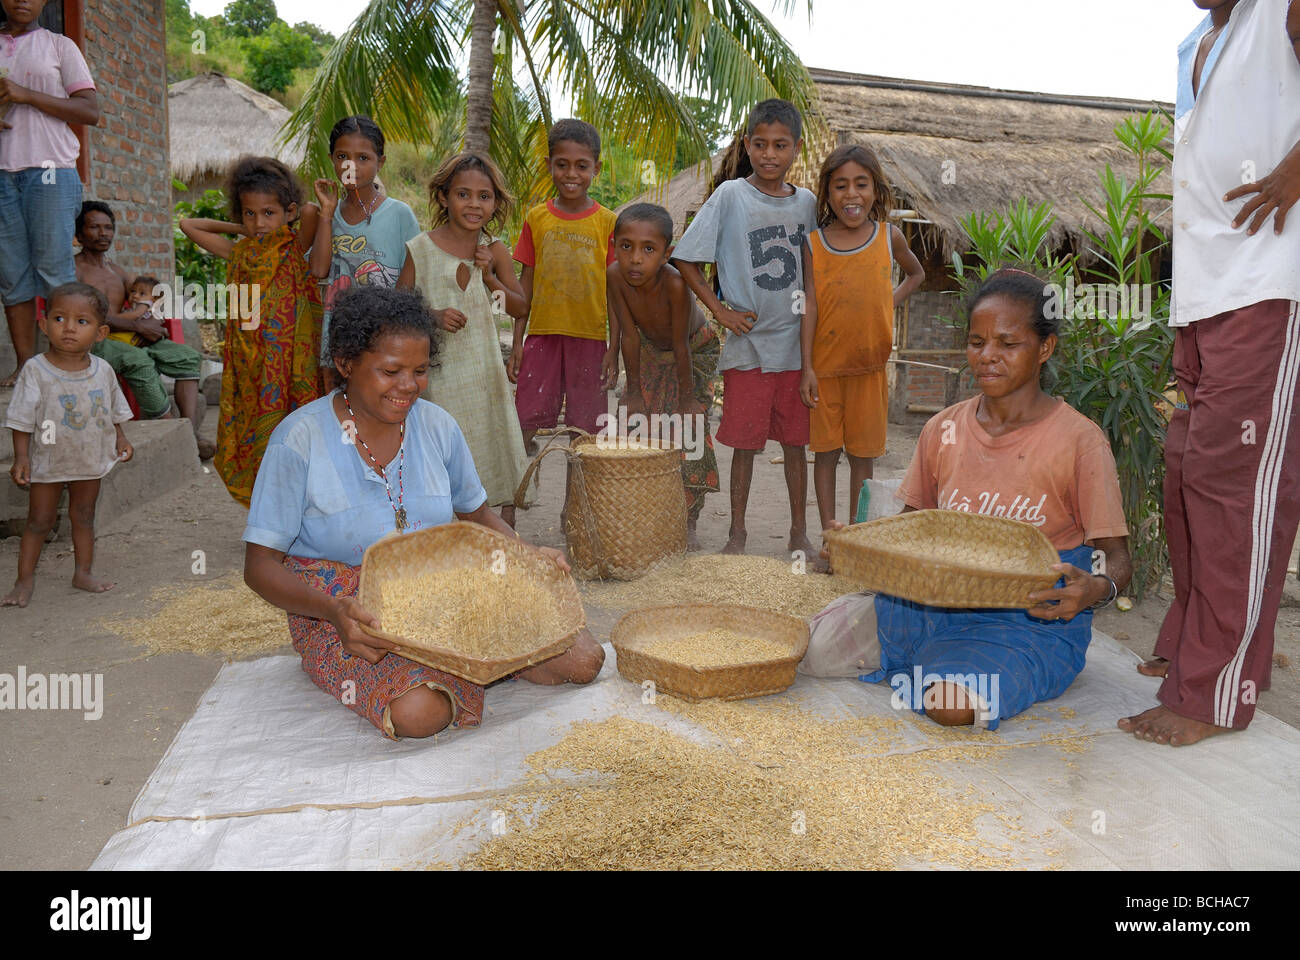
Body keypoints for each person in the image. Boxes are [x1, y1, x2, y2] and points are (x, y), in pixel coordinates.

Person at [241, 285, 605, 740]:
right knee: (419, 715)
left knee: (585, 660)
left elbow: (478, 518)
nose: (408, 386)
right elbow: (259, 567)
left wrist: (529, 556)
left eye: (419, 370)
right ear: (345, 363)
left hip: (441, 593)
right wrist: (333, 612)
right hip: (351, 610)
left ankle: (468, 663)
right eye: (390, 371)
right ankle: (474, 666)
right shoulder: (299, 440)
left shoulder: (437, 426)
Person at [805, 270, 1132, 730]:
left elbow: (1116, 556)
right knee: (807, 648)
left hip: (1026, 619)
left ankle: (943, 668)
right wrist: (857, 546)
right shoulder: (944, 428)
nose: (988, 357)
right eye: (977, 342)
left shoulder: (1078, 440)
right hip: (922, 603)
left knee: (953, 705)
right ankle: (922, 658)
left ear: (1045, 349)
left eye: (1008, 343)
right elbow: (909, 527)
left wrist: (1098, 588)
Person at [1121, 0, 1300, 746]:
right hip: (1203, 298)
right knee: (1187, 471)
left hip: (1269, 285)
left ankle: (1215, 693)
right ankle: (1194, 647)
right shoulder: (1200, 38)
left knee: (1236, 490)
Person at [672, 99, 819, 557]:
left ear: (796, 148)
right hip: (749, 346)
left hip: (797, 349)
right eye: (760, 144)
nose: (769, 154)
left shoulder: (809, 204)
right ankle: (737, 535)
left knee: (796, 444)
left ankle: (799, 535)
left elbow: (816, 274)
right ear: (746, 144)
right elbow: (685, 258)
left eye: (780, 145)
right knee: (745, 443)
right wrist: (721, 312)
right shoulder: (731, 195)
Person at [179, 155, 324, 507]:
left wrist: (282, 217)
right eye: (249, 213)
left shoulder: (294, 247)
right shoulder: (238, 252)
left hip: (292, 364)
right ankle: (270, 512)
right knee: (256, 437)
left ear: (286, 212)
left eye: (268, 213)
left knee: (296, 433)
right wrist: (241, 230)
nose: (259, 222)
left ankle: (300, 509)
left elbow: (307, 210)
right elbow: (188, 225)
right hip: (251, 365)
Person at [799, 144, 924, 546]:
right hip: (826, 370)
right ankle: (829, 539)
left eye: (860, 184)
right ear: (827, 193)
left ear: (876, 189)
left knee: (861, 458)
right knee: (826, 455)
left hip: (870, 370)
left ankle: (856, 540)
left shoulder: (890, 237)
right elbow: (810, 306)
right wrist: (807, 368)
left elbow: (915, 275)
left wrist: (884, 305)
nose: (850, 194)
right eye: (840, 186)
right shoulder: (814, 244)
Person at [397, 152, 530, 523]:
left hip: (485, 374)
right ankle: (446, 527)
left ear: (495, 203)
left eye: (484, 197)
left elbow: (518, 308)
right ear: (444, 197)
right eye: (463, 194)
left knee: (492, 442)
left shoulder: (495, 250)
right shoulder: (419, 249)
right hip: (438, 377)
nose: (474, 204)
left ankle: (500, 532)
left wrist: (489, 278)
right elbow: (397, 310)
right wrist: (432, 316)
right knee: (444, 447)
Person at [502, 118, 619, 528]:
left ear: (596, 169)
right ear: (550, 165)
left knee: (585, 434)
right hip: (542, 339)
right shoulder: (537, 218)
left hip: (590, 341)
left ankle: (576, 515)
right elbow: (525, 285)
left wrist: (614, 350)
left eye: (582, 166)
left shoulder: (608, 222)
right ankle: (508, 511)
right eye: (563, 165)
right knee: (524, 422)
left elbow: (615, 292)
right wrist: (518, 343)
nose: (572, 174)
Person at [2, 282, 132, 608]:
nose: (69, 328)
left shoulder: (103, 370)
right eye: (59, 319)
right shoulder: (36, 370)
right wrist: (21, 457)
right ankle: (24, 580)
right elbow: (21, 418)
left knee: (84, 515)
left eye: (82, 322)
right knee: (38, 521)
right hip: (49, 460)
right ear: (44, 325)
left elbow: (113, 411)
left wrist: (120, 437)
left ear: (100, 333)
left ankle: (83, 572)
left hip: (90, 457)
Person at [607, 203, 720, 550]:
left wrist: (687, 399)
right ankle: (647, 516)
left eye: (648, 249)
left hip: (692, 351)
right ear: (614, 246)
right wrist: (635, 390)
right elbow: (629, 334)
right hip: (650, 350)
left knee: (687, 432)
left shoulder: (674, 283)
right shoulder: (613, 276)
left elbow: (681, 345)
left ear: (667, 253)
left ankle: (689, 521)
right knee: (638, 425)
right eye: (626, 247)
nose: (635, 259)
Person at [0, 0, 98, 387]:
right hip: (2, 176)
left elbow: (89, 110)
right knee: (12, 276)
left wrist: (26, 94)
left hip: (49, 173)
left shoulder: (60, 46)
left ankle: (68, 363)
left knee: (54, 272)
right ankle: (28, 366)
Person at [73, 201, 213, 459]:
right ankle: (173, 433)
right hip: (97, 339)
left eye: (107, 228)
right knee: (138, 359)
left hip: (128, 336)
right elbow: (85, 314)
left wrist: (153, 320)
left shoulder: (117, 271)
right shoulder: (75, 270)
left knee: (187, 356)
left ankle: (190, 433)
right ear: (79, 235)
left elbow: (147, 297)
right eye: (94, 227)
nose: (103, 233)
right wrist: (137, 325)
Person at [309, 115, 421, 393]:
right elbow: (318, 271)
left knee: (381, 403)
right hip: (337, 338)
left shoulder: (398, 215)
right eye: (342, 156)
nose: (351, 166)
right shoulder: (326, 214)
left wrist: (398, 331)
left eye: (363, 158)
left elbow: (411, 278)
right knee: (338, 407)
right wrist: (326, 215)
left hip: (385, 337)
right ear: (332, 159)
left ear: (380, 162)